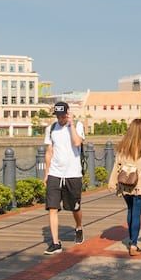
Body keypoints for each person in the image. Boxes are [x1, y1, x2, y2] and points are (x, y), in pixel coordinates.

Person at [43, 101, 85, 255]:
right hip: (55, 173)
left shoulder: (77, 126)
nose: (60, 118)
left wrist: (71, 124)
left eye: (63, 115)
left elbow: (77, 142)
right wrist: (46, 174)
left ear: (68, 113)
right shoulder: (51, 128)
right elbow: (49, 151)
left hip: (73, 173)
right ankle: (55, 243)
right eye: (58, 115)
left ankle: (79, 226)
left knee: (75, 207)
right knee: (52, 207)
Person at [107, 119, 141, 256]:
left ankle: (131, 241)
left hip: (125, 183)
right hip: (139, 184)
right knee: (137, 213)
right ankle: (134, 244)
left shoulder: (123, 147)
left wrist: (112, 182)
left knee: (130, 210)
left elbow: (117, 165)